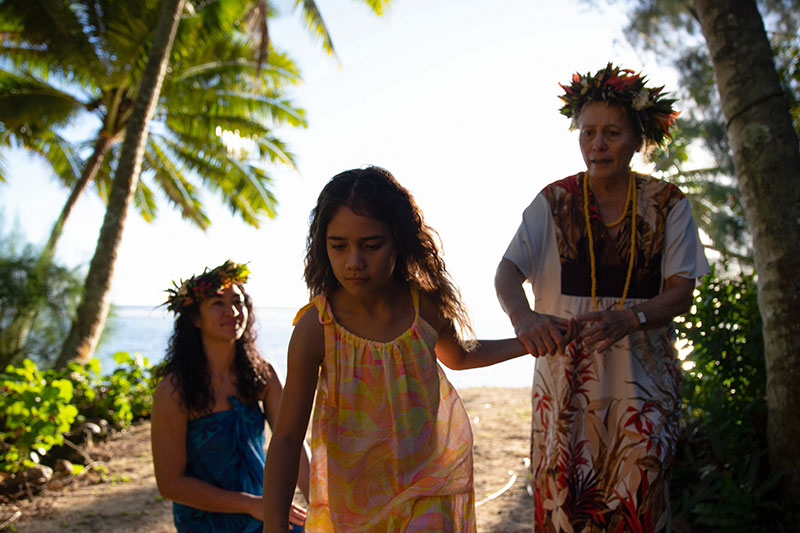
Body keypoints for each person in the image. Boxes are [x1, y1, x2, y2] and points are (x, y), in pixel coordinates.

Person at [495, 64, 710, 532]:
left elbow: (680, 292)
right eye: (588, 132)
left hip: (643, 395)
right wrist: (522, 317)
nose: (598, 144)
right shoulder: (552, 203)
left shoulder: (668, 204)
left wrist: (630, 318)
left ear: (638, 140)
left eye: (612, 132)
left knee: (640, 507)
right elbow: (508, 270)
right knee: (564, 508)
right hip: (563, 392)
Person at [262, 166, 528, 532]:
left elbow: (460, 355)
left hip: (429, 487)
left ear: (399, 241)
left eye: (371, 246)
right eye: (338, 246)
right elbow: (289, 436)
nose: (354, 261)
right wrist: (273, 524)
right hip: (353, 503)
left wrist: (524, 344)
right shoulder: (317, 328)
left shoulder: (425, 307)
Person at [151, 260, 310, 532]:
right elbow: (170, 483)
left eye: (238, 302)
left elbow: (292, 442)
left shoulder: (262, 374)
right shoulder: (173, 390)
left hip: (266, 510)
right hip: (206, 520)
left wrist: (320, 503)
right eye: (217, 303)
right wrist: (249, 504)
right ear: (195, 318)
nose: (232, 311)